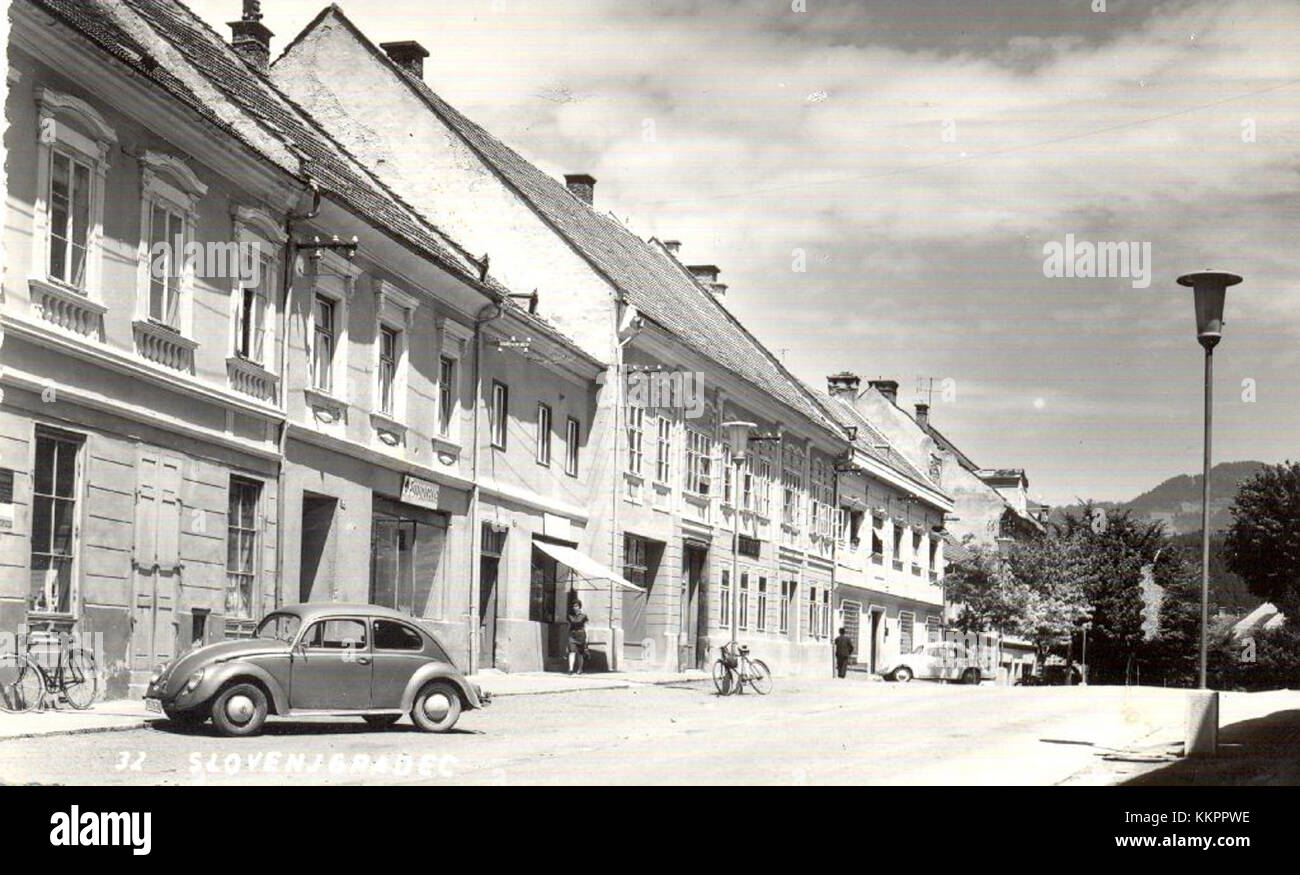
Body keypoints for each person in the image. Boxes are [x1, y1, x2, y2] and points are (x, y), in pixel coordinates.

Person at [567, 597, 589, 675]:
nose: (575, 607)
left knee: (580, 653)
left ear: (579, 607)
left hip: (581, 635)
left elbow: (586, 627)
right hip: (572, 635)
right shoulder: (570, 616)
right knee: (571, 652)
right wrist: (568, 636)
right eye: (573, 606)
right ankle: (570, 669)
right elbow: (569, 626)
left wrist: (587, 638)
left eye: (576, 606)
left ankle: (580, 669)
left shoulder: (583, 616)